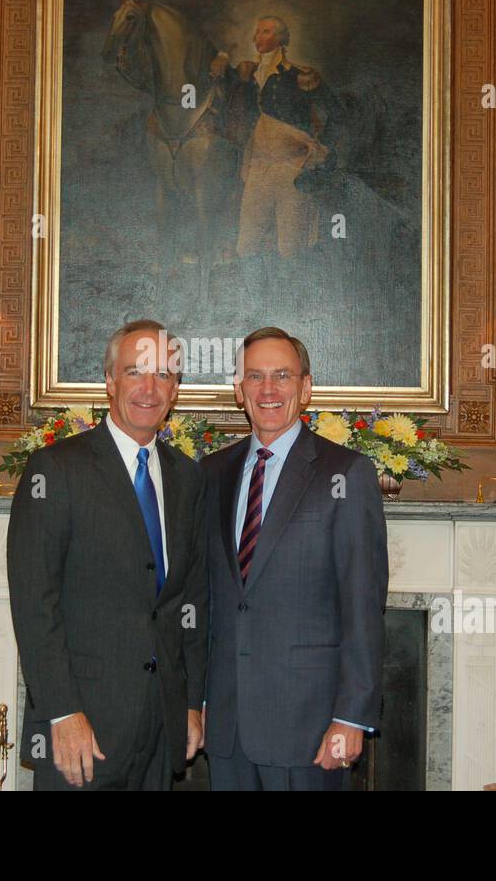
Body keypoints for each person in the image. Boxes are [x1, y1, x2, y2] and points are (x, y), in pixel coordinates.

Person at [7, 320, 207, 790]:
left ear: (175, 390)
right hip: (82, 730)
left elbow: (191, 600)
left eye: (163, 374)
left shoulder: (188, 479)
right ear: (110, 381)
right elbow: (35, 605)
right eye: (135, 372)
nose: (149, 387)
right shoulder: (55, 470)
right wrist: (62, 710)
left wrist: (192, 703)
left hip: (161, 727)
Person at [201, 326, 387, 790]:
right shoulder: (210, 474)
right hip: (226, 727)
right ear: (239, 391)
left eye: (282, 376)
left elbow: (363, 607)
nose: (268, 390)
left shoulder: (345, 473)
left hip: (311, 730)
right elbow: (203, 599)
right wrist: (194, 701)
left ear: (305, 388)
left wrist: (351, 717)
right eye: (255, 377)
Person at [212, 16, 339, 259]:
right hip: (258, 167)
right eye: (257, 32)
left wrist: (316, 155)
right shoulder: (246, 74)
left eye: (266, 32)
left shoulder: (299, 75)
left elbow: (334, 113)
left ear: (281, 38)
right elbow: (228, 103)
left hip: (291, 168)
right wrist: (222, 58)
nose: (258, 37)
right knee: (247, 247)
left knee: (291, 249)